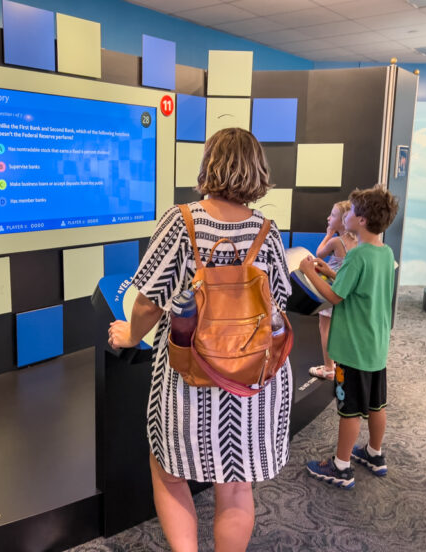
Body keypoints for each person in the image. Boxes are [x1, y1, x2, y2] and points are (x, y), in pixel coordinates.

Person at [108, 127, 293, 552]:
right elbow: (278, 305)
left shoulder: (183, 220)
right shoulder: (267, 230)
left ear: (210, 164)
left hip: (188, 377)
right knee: (234, 486)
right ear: (257, 171)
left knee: (170, 474)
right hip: (249, 381)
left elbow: (149, 302)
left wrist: (131, 335)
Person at [298, 185, 398, 490]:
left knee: (350, 410)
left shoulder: (356, 256)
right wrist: (329, 270)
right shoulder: (384, 253)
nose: (347, 215)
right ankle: (374, 454)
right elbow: (357, 287)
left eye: (352, 211)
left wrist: (310, 271)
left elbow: (335, 297)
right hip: (375, 348)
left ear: (362, 221)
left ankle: (341, 467)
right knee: (376, 405)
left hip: (352, 350)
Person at [309, 200, 357, 381]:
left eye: (333, 215)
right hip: (347, 292)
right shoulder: (357, 243)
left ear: (344, 219)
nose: (329, 218)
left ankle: (329, 368)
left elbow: (319, 253)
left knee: (325, 328)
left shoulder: (337, 241)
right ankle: (340, 364)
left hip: (332, 289)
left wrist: (328, 234)